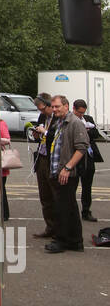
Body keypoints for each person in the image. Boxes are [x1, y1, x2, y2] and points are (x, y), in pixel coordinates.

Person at [44, 95, 90, 253]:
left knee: (62, 208)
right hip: (58, 171)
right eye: (53, 107)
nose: (54, 109)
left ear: (66, 106)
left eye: (57, 106)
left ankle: (61, 241)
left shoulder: (74, 123)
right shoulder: (59, 122)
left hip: (67, 173)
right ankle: (75, 241)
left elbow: (82, 147)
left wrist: (68, 168)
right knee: (69, 207)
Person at [28, 93, 56, 239]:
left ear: (49, 104)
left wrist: (45, 132)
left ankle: (59, 229)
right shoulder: (42, 117)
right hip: (42, 157)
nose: (42, 112)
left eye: (43, 108)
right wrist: (36, 135)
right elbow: (41, 139)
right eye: (39, 109)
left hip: (54, 160)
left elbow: (57, 138)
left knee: (55, 195)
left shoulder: (58, 119)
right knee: (44, 196)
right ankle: (50, 227)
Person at [72, 99, 102, 222]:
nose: (81, 115)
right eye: (79, 112)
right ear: (74, 109)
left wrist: (87, 131)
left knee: (87, 186)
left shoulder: (88, 119)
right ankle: (71, 213)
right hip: (74, 156)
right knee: (72, 186)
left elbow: (95, 133)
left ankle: (86, 211)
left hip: (88, 156)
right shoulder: (70, 119)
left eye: (83, 113)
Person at [0, 117, 12, 221]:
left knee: (0, 188)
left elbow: (7, 139)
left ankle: (4, 214)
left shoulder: (1, 123)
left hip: (0, 161)